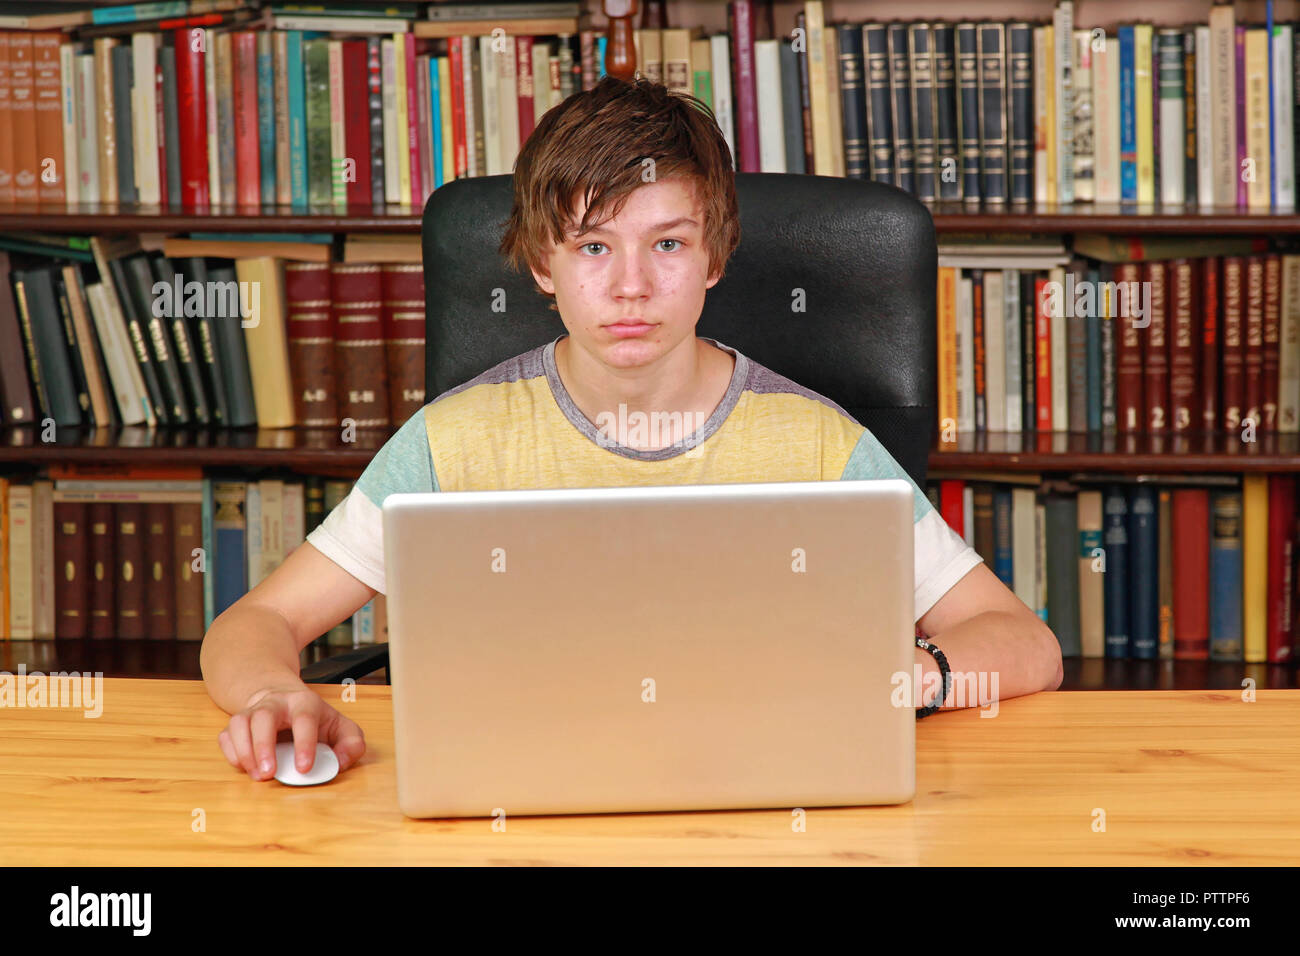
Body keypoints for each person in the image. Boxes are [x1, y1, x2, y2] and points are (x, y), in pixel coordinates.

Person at [201, 76, 1062, 782]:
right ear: (543, 263)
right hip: (513, 800)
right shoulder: (453, 442)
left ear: (717, 256)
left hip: (762, 798)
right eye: (592, 247)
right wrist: (276, 694)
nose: (631, 287)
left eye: (669, 244)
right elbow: (253, 625)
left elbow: (1024, 644)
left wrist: (918, 675)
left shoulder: (818, 443)